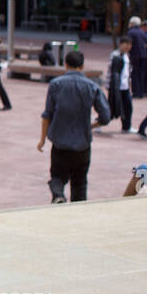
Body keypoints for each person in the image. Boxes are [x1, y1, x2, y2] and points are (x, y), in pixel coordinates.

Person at [37, 50, 110, 203]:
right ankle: (78, 211)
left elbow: (47, 115)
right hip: (82, 145)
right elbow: (106, 116)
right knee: (80, 182)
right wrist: (92, 125)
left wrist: (42, 139)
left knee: (57, 177)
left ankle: (58, 195)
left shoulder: (56, 84)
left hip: (60, 143)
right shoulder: (92, 86)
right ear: (82, 66)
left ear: (66, 64)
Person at [107, 36, 134, 133]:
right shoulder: (115, 55)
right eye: (126, 44)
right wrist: (112, 86)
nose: (128, 46)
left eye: (130, 44)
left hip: (125, 87)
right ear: (120, 44)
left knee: (128, 107)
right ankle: (100, 122)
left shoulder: (127, 56)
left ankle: (126, 127)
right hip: (115, 87)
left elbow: (128, 72)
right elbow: (112, 72)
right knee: (111, 108)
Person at [127, 15, 147, 98]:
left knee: (135, 73)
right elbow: (146, 44)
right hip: (143, 55)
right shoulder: (142, 31)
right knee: (141, 73)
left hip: (135, 55)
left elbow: (128, 43)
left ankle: (136, 92)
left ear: (132, 23)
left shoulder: (131, 32)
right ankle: (141, 92)